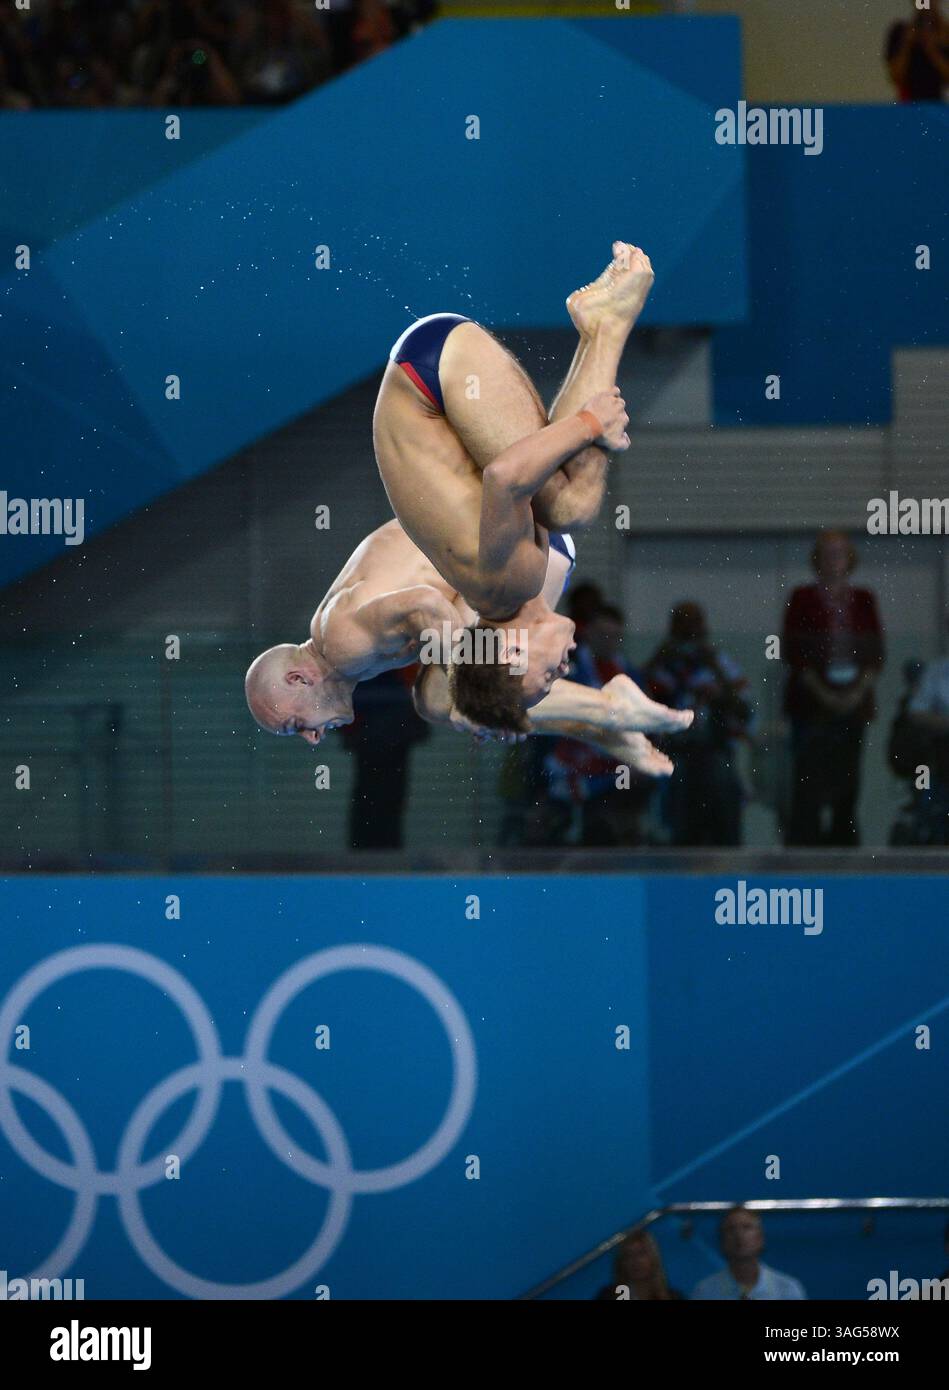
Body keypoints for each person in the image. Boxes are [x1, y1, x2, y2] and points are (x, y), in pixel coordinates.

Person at [373, 241, 655, 726]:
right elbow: (438, 695)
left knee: (570, 507)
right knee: (560, 505)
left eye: (545, 679)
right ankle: (597, 326)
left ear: (513, 650)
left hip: (433, 371)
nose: (564, 670)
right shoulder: (495, 607)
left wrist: (592, 423)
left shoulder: (508, 587)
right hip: (423, 377)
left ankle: (607, 324)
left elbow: (505, 478)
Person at [244, 517, 693, 772]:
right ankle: (599, 727)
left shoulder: (340, 645)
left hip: (520, 548)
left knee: (445, 696)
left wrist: (468, 688)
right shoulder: (343, 649)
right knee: (432, 697)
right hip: (518, 546)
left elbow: (425, 604)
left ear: (298, 677)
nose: (313, 737)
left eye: (294, 725)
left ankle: (607, 707)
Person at [782, 532, 885, 848]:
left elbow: (876, 651)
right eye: (828, 553)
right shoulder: (802, 597)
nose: (834, 560)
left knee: (847, 782)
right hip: (812, 703)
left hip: (853, 701)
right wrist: (822, 693)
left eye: (840, 553)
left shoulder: (864, 598)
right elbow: (794, 650)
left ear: (850, 558)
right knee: (808, 782)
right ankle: (805, 853)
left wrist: (856, 693)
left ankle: (843, 848)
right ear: (817, 559)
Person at [644, 601, 752, 847]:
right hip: (675, 752)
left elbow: (744, 708)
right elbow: (643, 697)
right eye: (683, 623)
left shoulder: (719, 663)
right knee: (678, 805)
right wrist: (658, 659)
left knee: (724, 788)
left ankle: (727, 854)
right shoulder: (662, 662)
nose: (689, 630)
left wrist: (716, 675)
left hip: (714, 748)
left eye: (694, 623)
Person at [691, 1207, 806, 1301]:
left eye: (747, 1227)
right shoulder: (704, 1292)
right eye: (731, 1229)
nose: (739, 1235)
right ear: (722, 1241)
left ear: (760, 1238)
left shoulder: (786, 1289)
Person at [595, 1229, 684, 1301]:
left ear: (652, 1258)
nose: (635, 1261)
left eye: (641, 1254)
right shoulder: (609, 1296)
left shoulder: (672, 1297)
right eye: (628, 1255)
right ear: (621, 1262)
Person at [885, 1, 949, 101]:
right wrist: (907, 44)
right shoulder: (901, 31)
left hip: (936, 106)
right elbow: (895, 76)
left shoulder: (945, 34)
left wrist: (932, 50)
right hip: (908, 104)